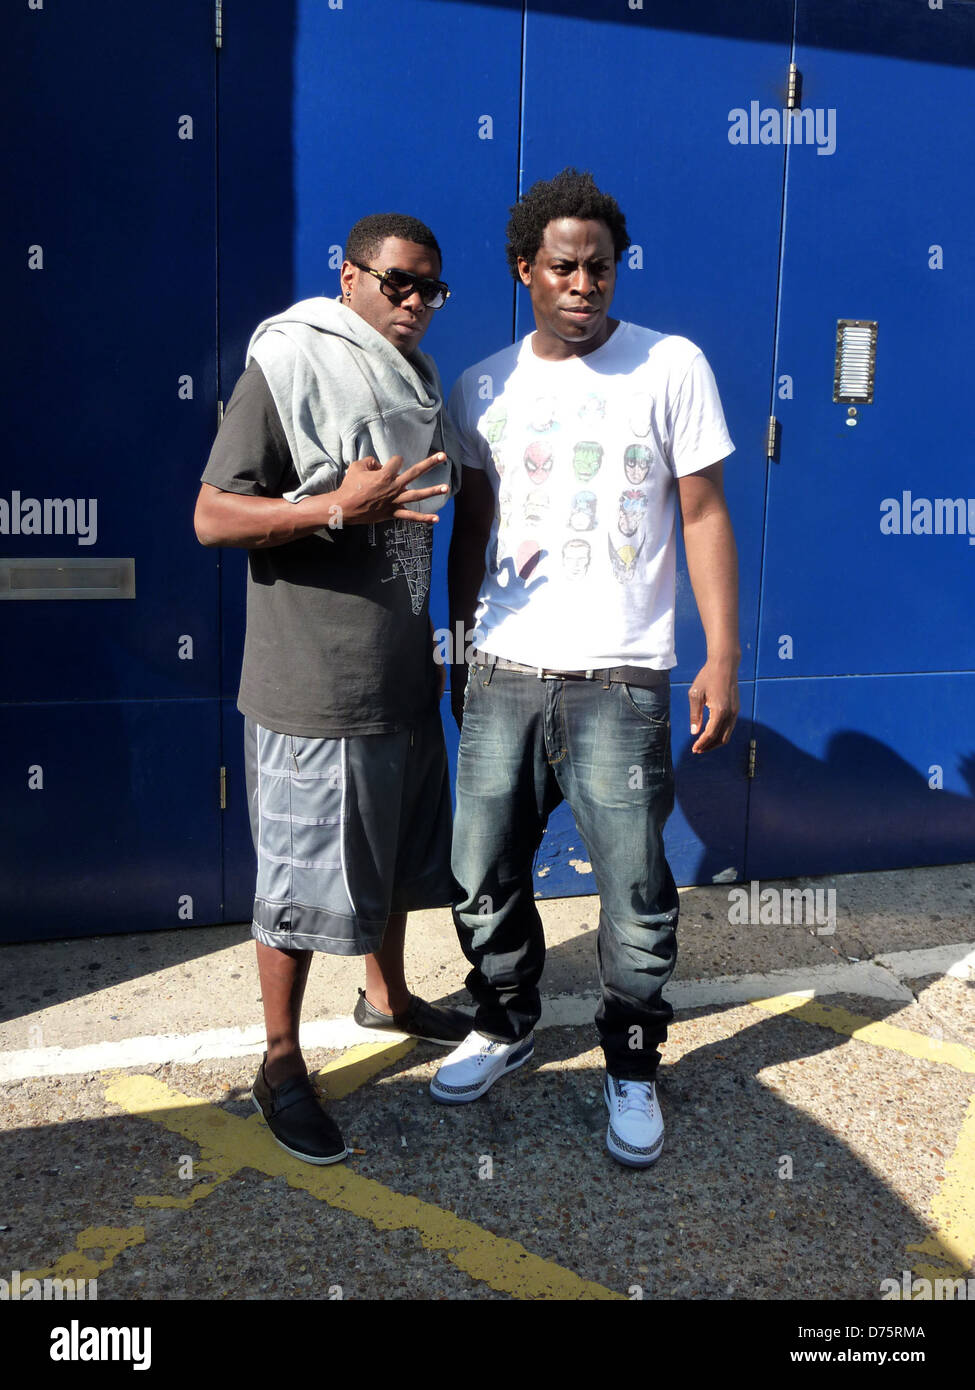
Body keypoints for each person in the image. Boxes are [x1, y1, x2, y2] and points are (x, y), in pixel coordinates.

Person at [432, 170, 739, 1168]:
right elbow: (469, 530)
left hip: (621, 674)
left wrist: (722, 653)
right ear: (526, 269)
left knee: (636, 890)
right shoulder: (483, 384)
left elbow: (702, 514)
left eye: (598, 266)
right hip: (505, 669)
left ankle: (634, 1065)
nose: (581, 282)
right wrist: (459, 644)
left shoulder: (672, 367)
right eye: (560, 265)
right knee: (480, 868)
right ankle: (506, 1020)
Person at [194, 213, 471, 1166]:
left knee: (386, 861)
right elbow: (211, 515)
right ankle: (279, 1064)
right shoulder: (291, 363)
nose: (412, 304)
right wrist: (330, 509)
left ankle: (385, 996)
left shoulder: (421, 383)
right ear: (348, 276)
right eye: (395, 282)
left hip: (397, 672)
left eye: (428, 289)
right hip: (312, 684)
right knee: (299, 887)